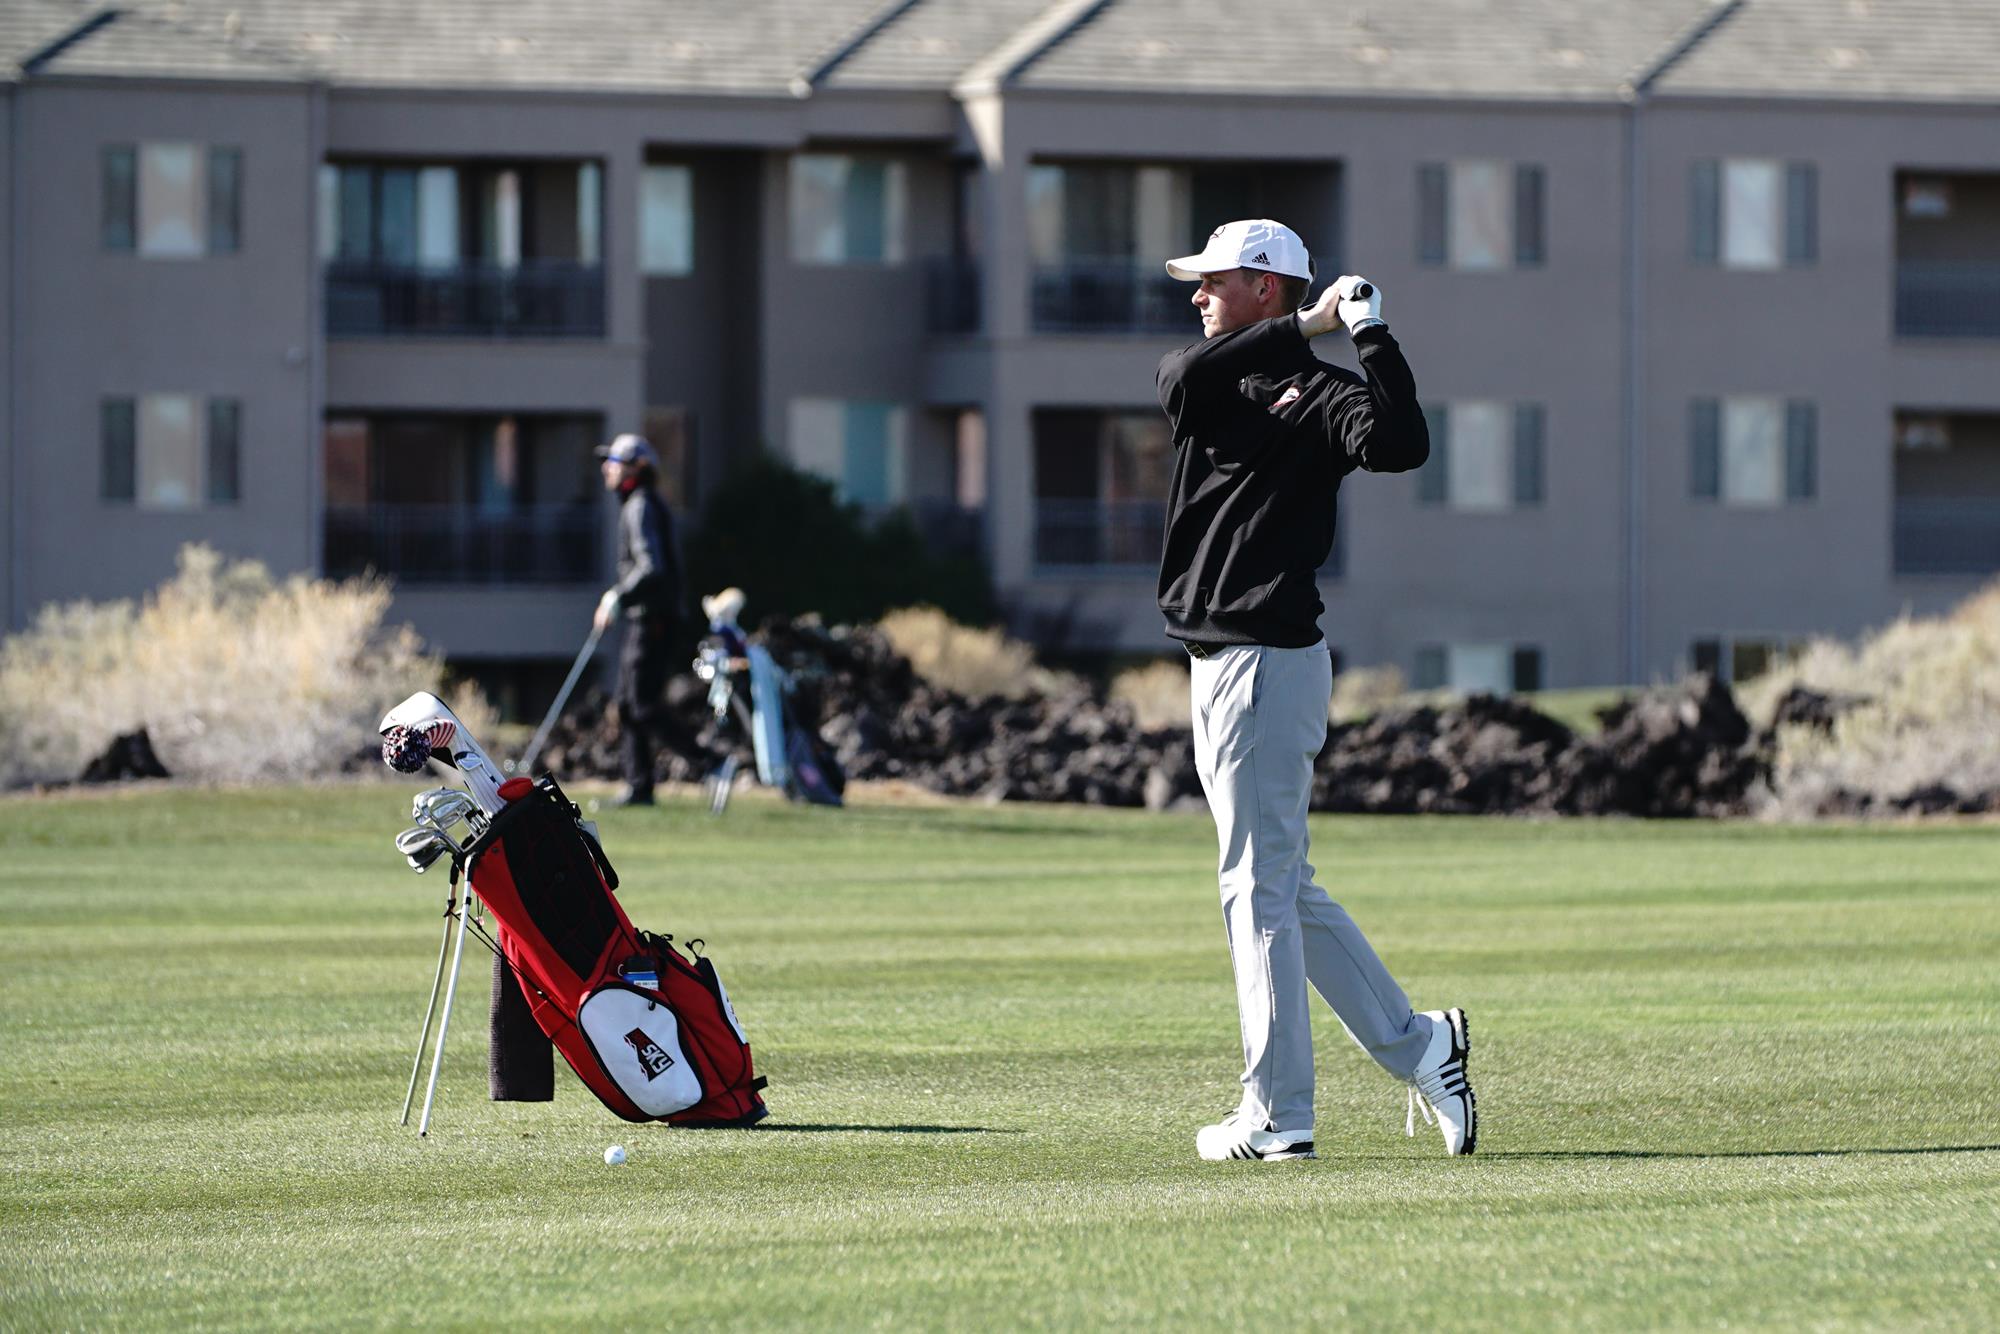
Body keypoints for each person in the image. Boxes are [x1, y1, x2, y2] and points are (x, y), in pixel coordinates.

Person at [1154, 219, 1476, 1161]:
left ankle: (1278, 1114)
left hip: (1267, 662)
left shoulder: (1328, 396)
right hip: (1220, 664)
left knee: (1255, 889)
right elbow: (1179, 379)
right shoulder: (1208, 382)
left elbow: (1403, 443)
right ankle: (1420, 1042)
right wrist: (1311, 326)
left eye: (1214, 280)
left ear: (1264, 284)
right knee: (1283, 886)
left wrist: (1371, 336)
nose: (1199, 295)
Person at [593, 433, 688, 807]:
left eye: (615, 461)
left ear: (637, 469)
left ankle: (709, 760)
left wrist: (618, 596)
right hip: (647, 617)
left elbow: (652, 567)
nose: (607, 467)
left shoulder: (641, 506)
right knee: (628, 702)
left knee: (641, 704)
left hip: (654, 618)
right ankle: (639, 786)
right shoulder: (640, 503)